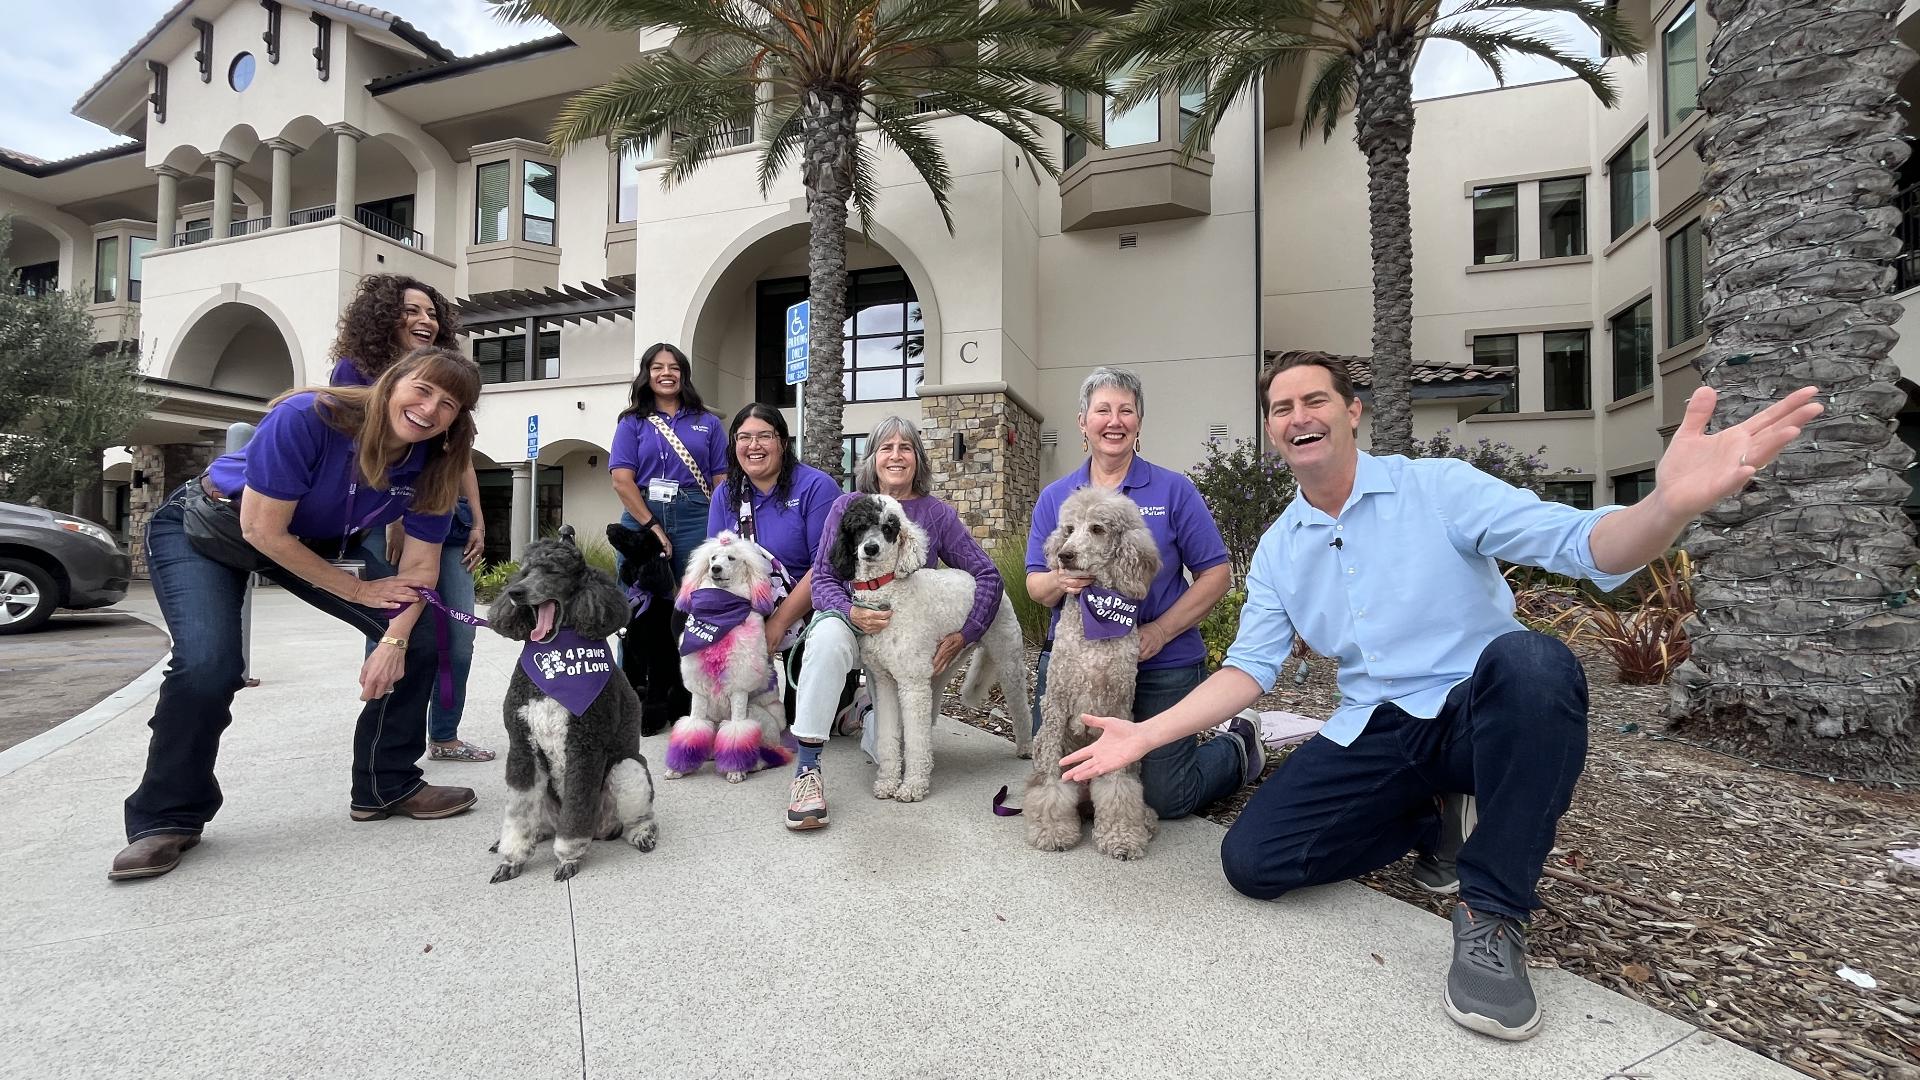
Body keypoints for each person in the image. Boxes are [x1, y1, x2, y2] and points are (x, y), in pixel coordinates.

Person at [1061, 351, 1823, 1041]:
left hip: (1473, 712)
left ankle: (1492, 912)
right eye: (1281, 408)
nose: (1299, 417)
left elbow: (1588, 545)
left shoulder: (1437, 488)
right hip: (1374, 726)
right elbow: (1249, 669)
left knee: (1535, 661)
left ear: (1351, 412)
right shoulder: (1281, 546)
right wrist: (1147, 734)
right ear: (1270, 430)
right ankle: (1436, 816)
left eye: (1315, 400)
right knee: (1254, 863)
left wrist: (1668, 506)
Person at [112, 347, 489, 882]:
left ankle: (385, 784)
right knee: (209, 667)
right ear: (392, 381)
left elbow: (420, 569)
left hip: (304, 543)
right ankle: (165, 817)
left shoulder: (436, 462)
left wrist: (395, 641)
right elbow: (261, 529)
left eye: (447, 404)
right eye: (422, 390)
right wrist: (358, 592)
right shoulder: (311, 416)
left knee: (422, 635)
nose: (429, 410)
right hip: (210, 526)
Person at [1026, 366, 1264, 821]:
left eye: (1126, 410)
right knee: (1068, 777)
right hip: (1076, 654)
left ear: (1139, 421)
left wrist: (1160, 631)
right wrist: (1061, 580)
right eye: (1103, 410)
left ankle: (1238, 746)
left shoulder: (1173, 490)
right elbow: (1037, 585)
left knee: (1164, 798)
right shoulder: (1057, 496)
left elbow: (1216, 574)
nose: (1114, 421)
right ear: (1082, 422)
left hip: (1161, 661)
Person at [785, 415, 1005, 831]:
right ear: (872, 458)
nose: (896, 456)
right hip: (853, 620)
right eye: (886, 447)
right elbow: (824, 577)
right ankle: (808, 768)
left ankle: (864, 711)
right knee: (827, 639)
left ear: (918, 458)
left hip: (905, 637)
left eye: (905, 447)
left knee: (890, 740)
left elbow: (988, 576)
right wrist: (850, 611)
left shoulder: (936, 514)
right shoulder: (846, 506)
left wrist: (966, 634)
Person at [327, 274, 492, 762]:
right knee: (392, 629)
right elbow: (360, 450)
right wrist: (394, 520)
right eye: (411, 310)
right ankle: (382, 746)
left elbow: (459, 458)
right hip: (384, 517)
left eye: (432, 314)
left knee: (457, 637)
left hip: (445, 517)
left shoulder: (448, 376)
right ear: (383, 317)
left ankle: (445, 735)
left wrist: (478, 520)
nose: (425, 321)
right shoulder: (356, 370)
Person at [610, 343, 728, 723]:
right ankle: (632, 695)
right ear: (647, 374)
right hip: (642, 513)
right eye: (658, 367)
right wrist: (652, 526)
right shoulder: (632, 422)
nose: (666, 373)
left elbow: (721, 480)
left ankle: (690, 697)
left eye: (674, 367)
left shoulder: (707, 423)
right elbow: (622, 480)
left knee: (694, 603)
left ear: (683, 374)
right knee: (637, 608)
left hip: (695, 513)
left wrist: (722, 529)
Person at [705, 403, 842, 666]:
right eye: (744, 437)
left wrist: (779, 622)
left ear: (783, 443)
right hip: (746, 607)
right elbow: (715, 561)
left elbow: (824, 567)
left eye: (764, 436)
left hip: (809, 607)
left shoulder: (816, 487)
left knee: (804, 683)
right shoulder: (725, 493)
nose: (753, 445)